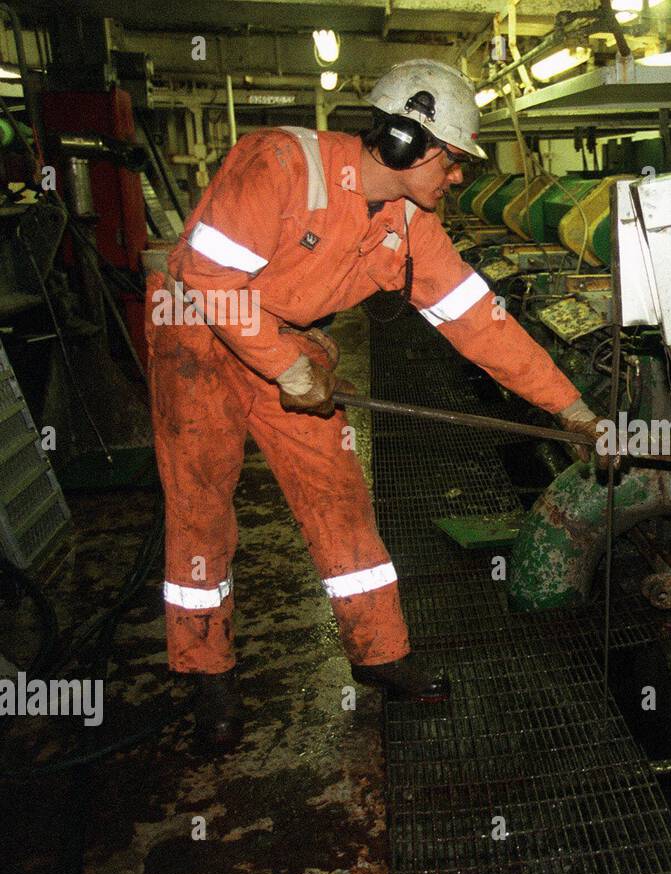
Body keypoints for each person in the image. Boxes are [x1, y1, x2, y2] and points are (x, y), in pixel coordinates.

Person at [145, 59, 602, 752]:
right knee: (201, 504)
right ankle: (208, 671)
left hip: (291, 349)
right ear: (402, 142)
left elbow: (480, 319)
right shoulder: (278, 162)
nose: (455, 179)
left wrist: (570, 409)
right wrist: (284, 365)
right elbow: (205, 275)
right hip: (198, 336)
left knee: (338, 493)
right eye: (452, 162)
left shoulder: (409, 222)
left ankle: (381, 652)